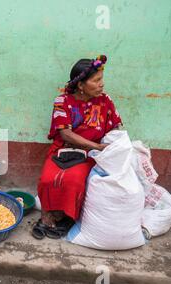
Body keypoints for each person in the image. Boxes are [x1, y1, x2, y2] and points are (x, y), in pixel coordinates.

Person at [33, 55, 123, 240]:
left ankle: (67, 217)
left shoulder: (105, 101)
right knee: (48, 179)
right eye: (96, 80)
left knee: (74, 180)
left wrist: (105, 147)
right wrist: (97, 145)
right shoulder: (62, 102)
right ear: (81, 85)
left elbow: (115, 128)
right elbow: (65, 134)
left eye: (101, 80)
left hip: (90, 154)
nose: (101, 84)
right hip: (63, 150)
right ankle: (48, 214)